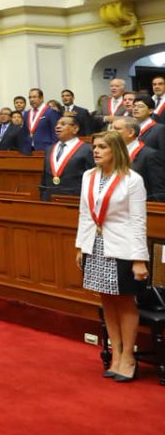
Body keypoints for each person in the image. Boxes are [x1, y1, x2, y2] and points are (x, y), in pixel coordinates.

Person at [75, 131, 149, 382]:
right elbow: (84, 213)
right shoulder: (88, 176)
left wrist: (139, 259)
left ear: (115, 150)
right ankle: (115, 353)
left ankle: (128, 356)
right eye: (94, 146)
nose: (96, 151)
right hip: (95, 245)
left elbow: (138, 221)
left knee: (125, 301)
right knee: (107, 300)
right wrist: (81, 246)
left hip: (122, 248)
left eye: (102, 147)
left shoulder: (132, 179)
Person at [40, 115, 94, 201]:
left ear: (75, 129)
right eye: (57, 124)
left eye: (63, 124)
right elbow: (45, 177)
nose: (58, 126)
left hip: (74, 199)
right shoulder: (49, 149)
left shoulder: (87, 149)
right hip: (50, 198)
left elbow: (92, 178)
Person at [113, 117, 165, 201]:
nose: (111, 132)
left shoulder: (149, 155)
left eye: (117, 129)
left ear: (130, 133)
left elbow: (158, 191)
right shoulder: (110, 153)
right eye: (111, 128)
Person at [23, 88, 60, 152]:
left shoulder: (51, 112)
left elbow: (56, 133)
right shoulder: (27, 113)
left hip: (46, 149)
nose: (31, 99)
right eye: (30, 97)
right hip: (29, 150)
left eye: (34, 97)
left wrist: (53, 149)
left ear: (41, 98)